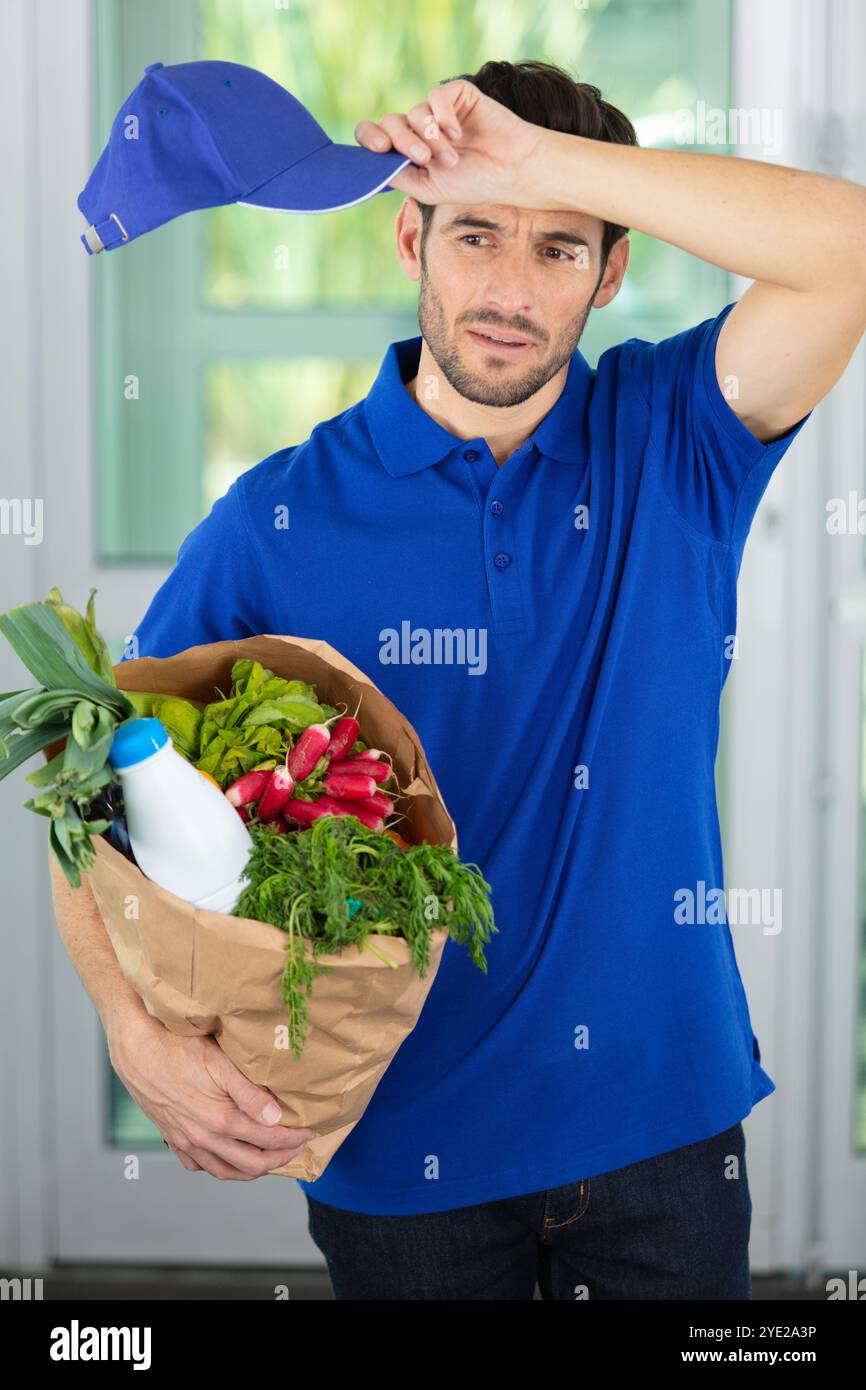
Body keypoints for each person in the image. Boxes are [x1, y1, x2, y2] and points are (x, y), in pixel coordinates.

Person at [51, 59, 866, 1299]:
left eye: (558, 249)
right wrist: (134, 1029)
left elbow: (844, 248)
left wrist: (533, 160)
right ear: (407, 237)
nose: (505, 288)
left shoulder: (674, 437)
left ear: (610, 273)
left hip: (659, 1128)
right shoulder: (271, 520)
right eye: (473, 231)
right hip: (392, 1153)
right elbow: (87, 787)